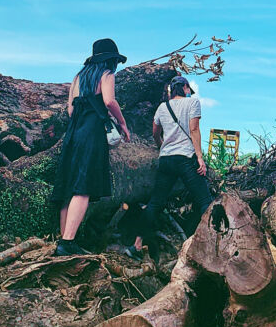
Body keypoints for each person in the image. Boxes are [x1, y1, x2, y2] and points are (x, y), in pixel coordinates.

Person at [52, 38, 131, 256]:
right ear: (110, 60)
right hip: (91, 134)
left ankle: (63, 239)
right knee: (83, 188)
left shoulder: (78, 77)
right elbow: (109, 101)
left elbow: (70, 110)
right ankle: (68, 242)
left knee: (70, 186)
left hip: (73, 134)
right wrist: (122, 123)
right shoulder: (107, 75)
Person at [126, 75, 212, 262]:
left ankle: (136, 244)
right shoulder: (193, 103)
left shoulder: (162, 107)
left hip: (166, 159)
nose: (190, 92)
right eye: (189, 89)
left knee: (156, 203)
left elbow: (155, 131)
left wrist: (161, 145)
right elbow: (194, 129)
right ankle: (212, 245)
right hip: (186, 158)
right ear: (185, 87)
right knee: (205, 200)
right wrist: (199, 157)